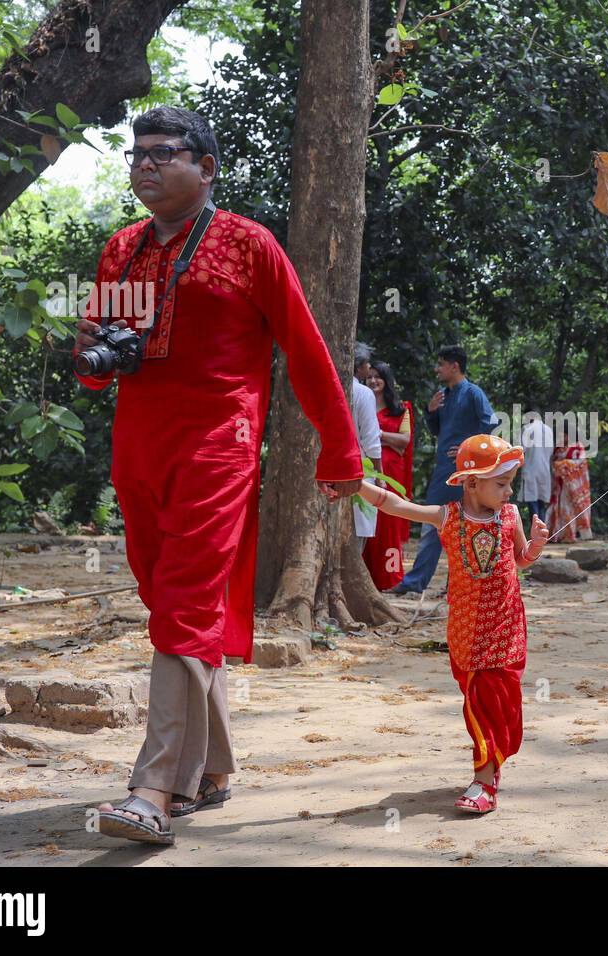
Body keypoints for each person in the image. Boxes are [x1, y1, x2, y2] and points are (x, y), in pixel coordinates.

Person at [73, 107, 362, 845]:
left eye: (162, 153)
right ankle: (217, 767)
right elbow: (102, 376)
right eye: (135, 154)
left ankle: (154, 789)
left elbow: (304, 349)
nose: (143, 164)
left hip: (219, 445)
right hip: (140, 450)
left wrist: (341, 452)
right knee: (168, 597)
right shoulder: (122, 252)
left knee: (182, 599)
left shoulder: (249, 245)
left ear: (206, 168)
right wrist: (89, 348)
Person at [357, 435, 548, 813]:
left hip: (506, 625)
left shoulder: (509, 516)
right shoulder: (448, 516)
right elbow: (395, 505)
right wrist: (354, 483)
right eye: (501, 483)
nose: (509, 492)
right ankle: (483, 779)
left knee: (500, 702)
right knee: (478, 702)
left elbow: (522, 558)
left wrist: (537, 544)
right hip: (466, 629)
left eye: (510, 483)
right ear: (472, 482)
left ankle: (489, 771)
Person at [388, 345, 497, 596]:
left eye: (440, 364)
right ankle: (415, 582)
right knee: (433, 524)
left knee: (466, 527)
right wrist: (431, 412)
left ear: (454, 366)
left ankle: (459, 585)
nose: (437, 369)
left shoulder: (473, 393)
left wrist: (468, 448)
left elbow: (490, 422)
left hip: (467, 472)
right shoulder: (443, 395)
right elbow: (439, 431)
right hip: (443, 471)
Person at [362, 361, 414, 591]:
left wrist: (378, 434)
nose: (373, 381)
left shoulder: (401, 409)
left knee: (389, 521)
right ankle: (365, 576)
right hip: (365, 468)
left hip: (391, 470)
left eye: (378, 377)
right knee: (365, 519)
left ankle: (390, 577)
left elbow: (404, 440)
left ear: (386, 380)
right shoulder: (361, 403)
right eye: (369, 377)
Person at [351, 343, 383, 552]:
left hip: (327, 471)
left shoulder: (326, 386)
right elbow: (371, 440)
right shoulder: (363, 393)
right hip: (360, 468)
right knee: (357, 529)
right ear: (361, 366)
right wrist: (379, 474)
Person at [547, 418, 594, 542]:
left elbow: (580, 464)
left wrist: (562, 464)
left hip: (574, 484)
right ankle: (559, 535)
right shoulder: (559, 448)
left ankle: (570, 535)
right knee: (561, 509)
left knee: (569, 510)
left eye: (563, 433)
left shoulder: (578, 447)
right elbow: (553, 462)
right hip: (561, 484)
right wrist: (558, 465)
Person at [519, 407, 554, 525]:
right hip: (544, 469)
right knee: (541, 502)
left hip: (531, 469)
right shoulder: (549, 430)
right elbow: (551, 451)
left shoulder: (527, 429)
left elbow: (520, 450)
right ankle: (542, 531)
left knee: (532, 501)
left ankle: (536, 531)